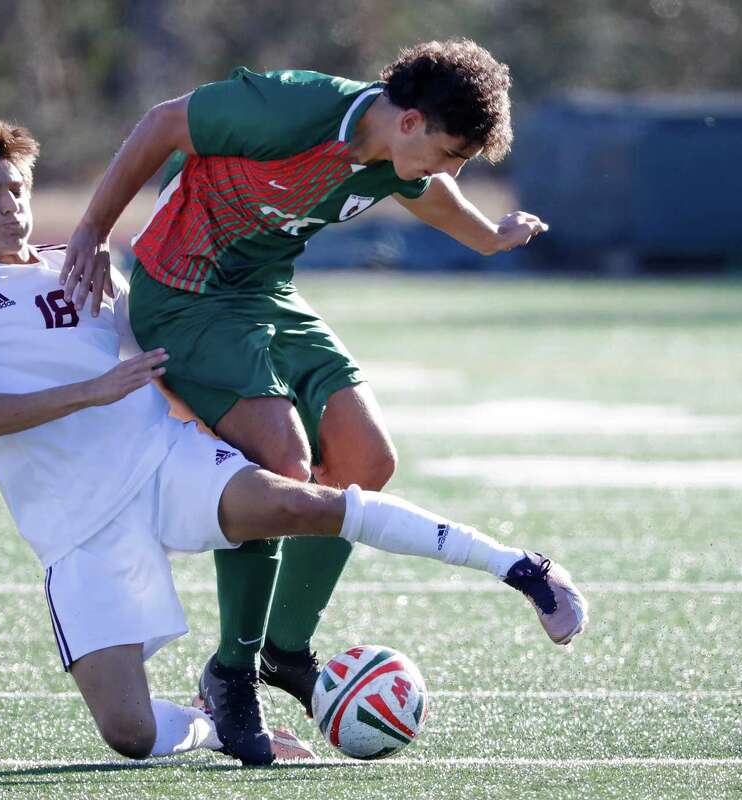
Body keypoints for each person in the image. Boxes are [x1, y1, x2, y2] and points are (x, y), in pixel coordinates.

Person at [0, 115, 586, 766]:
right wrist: (93, 390)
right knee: (129, 732)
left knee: (304, 502)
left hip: (163, 463)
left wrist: (225, 422)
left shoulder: (84, 267)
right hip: (77, 526)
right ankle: (212, 723)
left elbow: (167, 357)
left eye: (17, 190)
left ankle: (516, 565)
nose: (10, 207)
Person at [59, 39, 555, 763]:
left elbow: (434, 195)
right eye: (452, 153)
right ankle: (231, 671)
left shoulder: (400, 153)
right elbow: (164, 123)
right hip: (185, 293)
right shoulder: (291, 108)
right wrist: (92, 231)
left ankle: (283, 653)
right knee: (280, 461)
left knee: (367, 459)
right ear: (410, 121)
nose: (452, 171)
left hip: (265, 297)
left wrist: (489, 237)